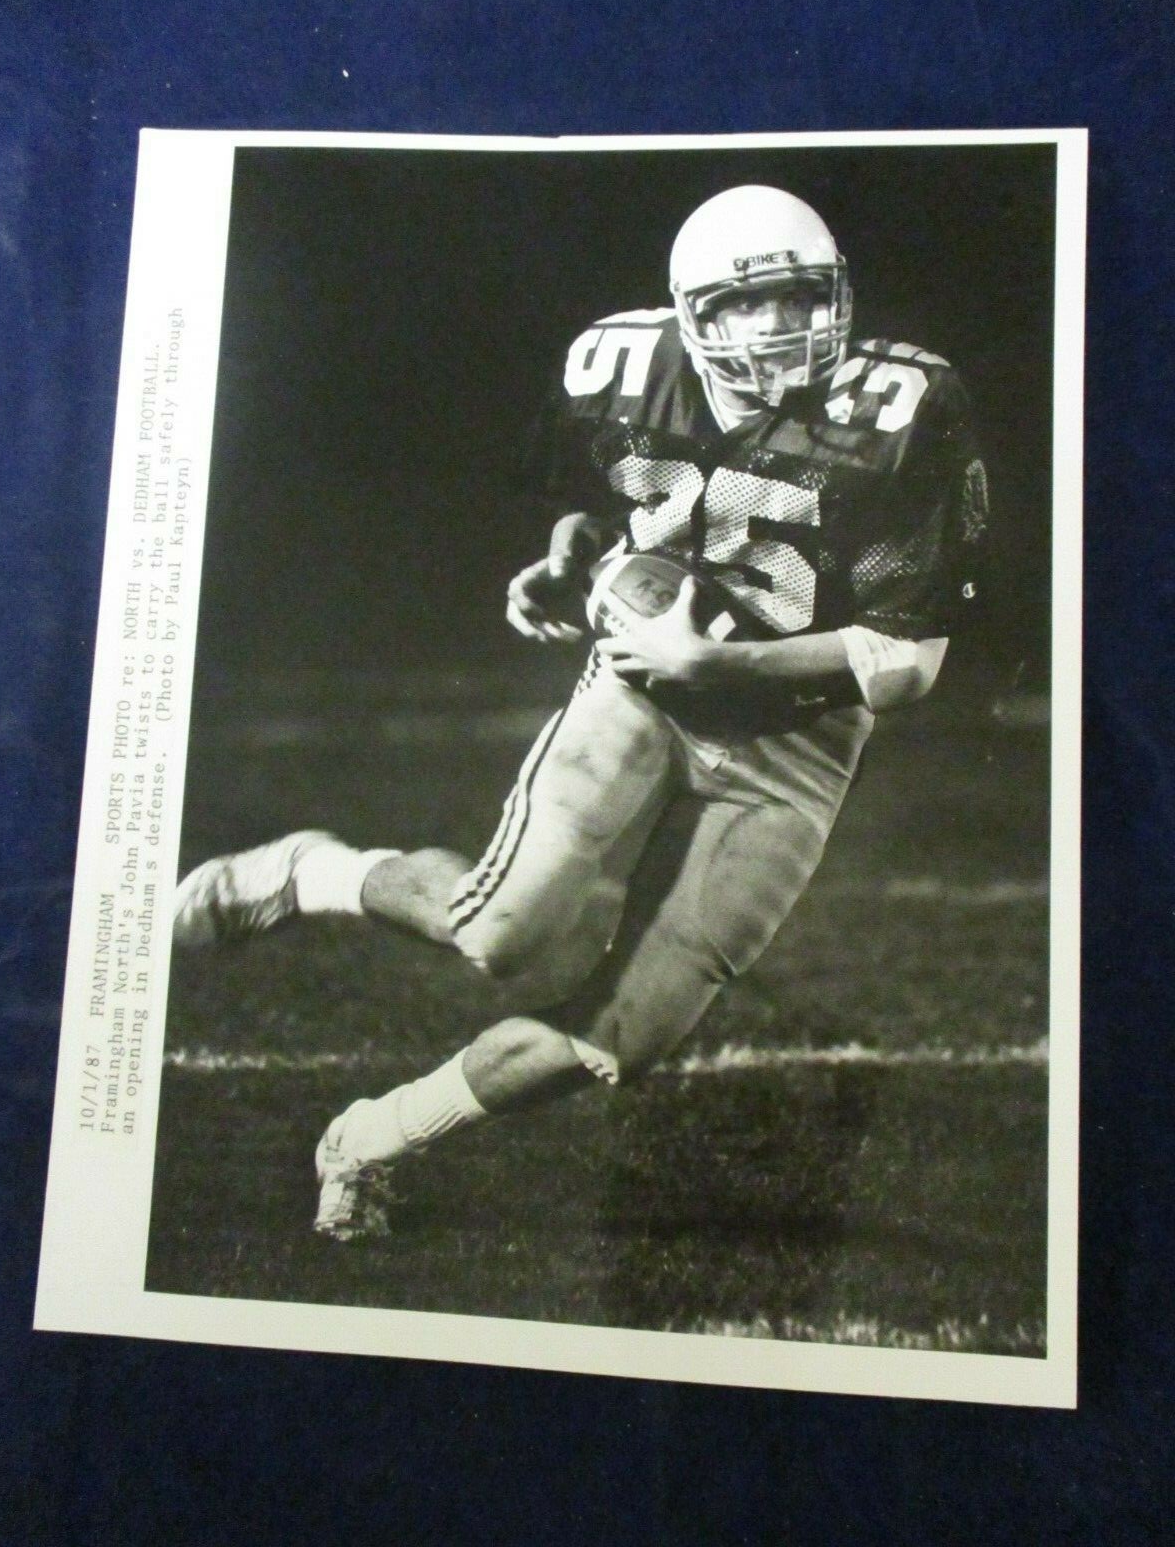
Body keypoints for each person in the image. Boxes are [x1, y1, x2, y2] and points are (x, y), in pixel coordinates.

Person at [173, 184, 989, 1241]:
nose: (778, 327)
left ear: (837, 295)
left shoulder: (904, 407)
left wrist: (720, 661)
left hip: (801, 734)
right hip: (644, 688)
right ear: (693, 312)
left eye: (797, 298)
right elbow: (617, 503)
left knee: (627, 1033)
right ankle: (304, 870)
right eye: (747, 305)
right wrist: (569, 559)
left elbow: (910, 660)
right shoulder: (622, 367)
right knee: (497, 934)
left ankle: (371, 1136)